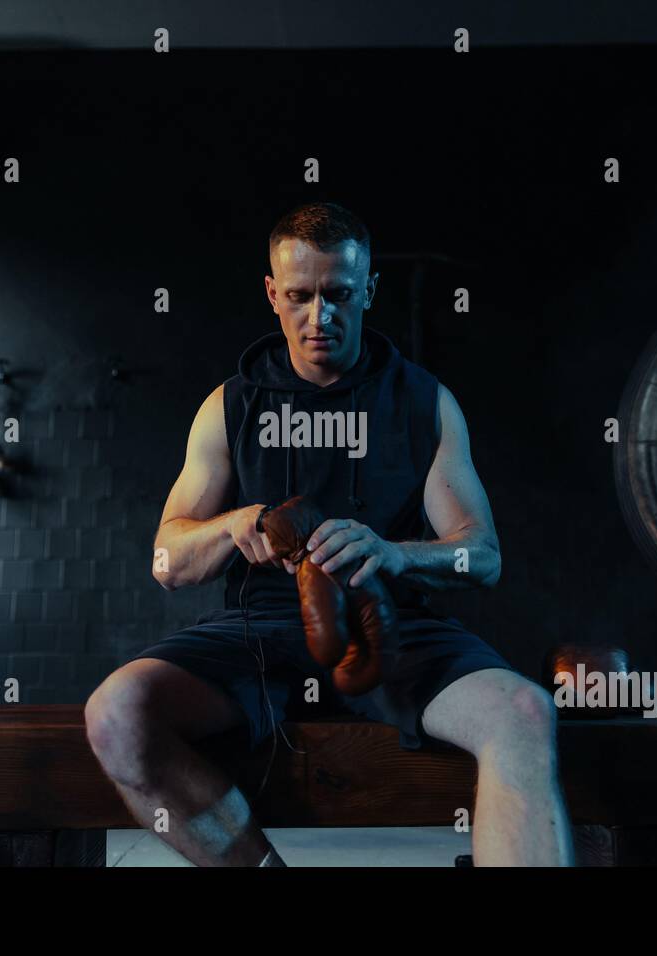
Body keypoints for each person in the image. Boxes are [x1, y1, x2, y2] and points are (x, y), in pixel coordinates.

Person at [84, 201, 574, 866]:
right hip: (259, 632)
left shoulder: (425, 402)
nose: (321, 318)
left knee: (524, 714)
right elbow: (169, 560)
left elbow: (481, 556)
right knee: (117, 713)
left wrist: (395, 554)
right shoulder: (229, 407)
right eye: (300, 296)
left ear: (369, 289)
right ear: (271, 294)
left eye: (340, 295)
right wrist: (233, 524)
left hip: (395, 628)